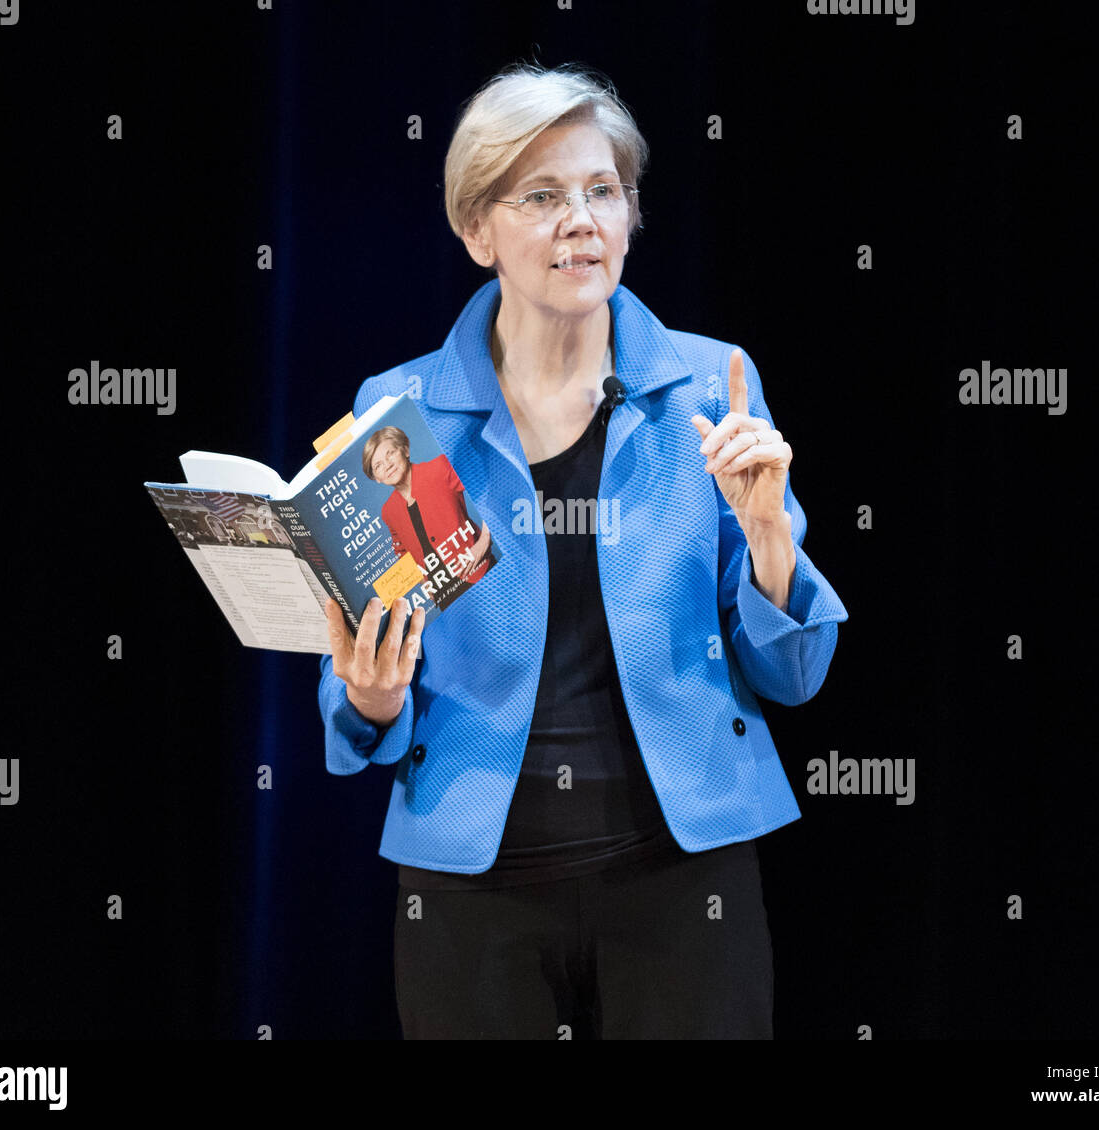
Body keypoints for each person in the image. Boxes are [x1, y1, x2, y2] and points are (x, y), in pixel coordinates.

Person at [318, 62, 849, 1039]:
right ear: (477, 229)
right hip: (474, 883)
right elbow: (354, 701)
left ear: (632, 213)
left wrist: (769, 528)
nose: (581, 219)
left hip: (684, 874)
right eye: (542, 195)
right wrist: (371, 694)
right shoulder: (398, 414)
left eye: (603, 190)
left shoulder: (710, 385)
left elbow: (791, 674)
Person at [361, 425, 495, 611]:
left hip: (479, 574)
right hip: (444, 595)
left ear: (405, 450)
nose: (387, 465)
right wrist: (423, 581)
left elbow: (490, 489)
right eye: (378, 465)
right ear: (376, 478)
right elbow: (402, 552)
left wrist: (483, 543)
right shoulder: (388, 511)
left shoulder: (440, 467)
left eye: (390, 453)